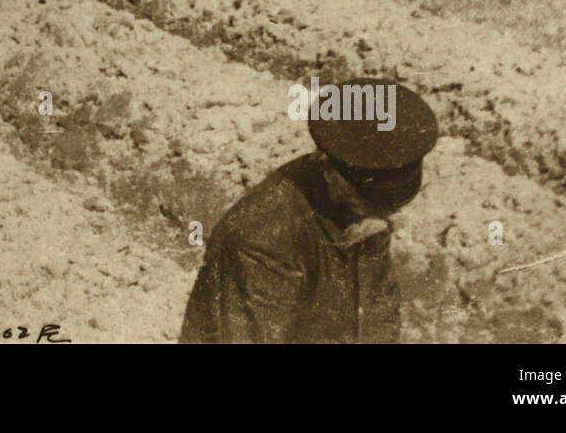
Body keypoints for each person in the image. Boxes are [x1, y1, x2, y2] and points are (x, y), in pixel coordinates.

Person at [180, 78, 438, 343]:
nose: (381, 222)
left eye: (387, 212)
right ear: (330, 173)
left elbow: (379, 314)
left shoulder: (363, 210)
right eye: (368, 208)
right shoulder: (260, 241)